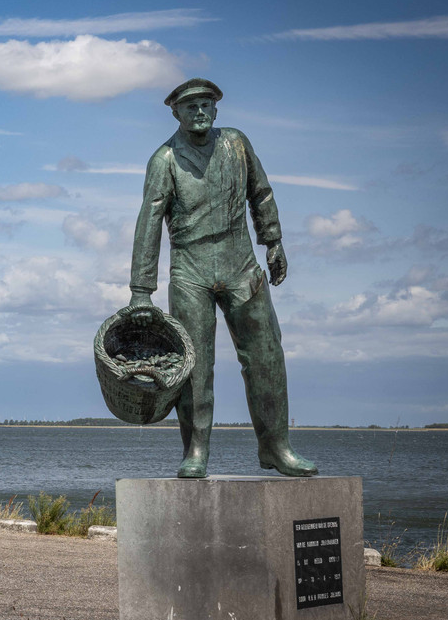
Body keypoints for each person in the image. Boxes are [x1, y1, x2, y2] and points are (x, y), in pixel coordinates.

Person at [128, 78, 317, 479]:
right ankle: (195, 450)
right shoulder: (164, 160)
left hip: (242, 266)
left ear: (216, 110)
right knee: (195, 366)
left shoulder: (236, 143)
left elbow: (260, 193)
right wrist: (141, 291)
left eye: (206, 105)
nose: (199, 111)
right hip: (190, 272)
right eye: (190, 105)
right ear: (175, 112)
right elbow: (148, 223)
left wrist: (274, 240)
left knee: (266, 356)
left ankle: (276, 447)